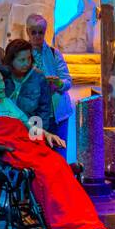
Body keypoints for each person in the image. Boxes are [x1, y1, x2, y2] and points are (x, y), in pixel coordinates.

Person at [0, 65, 111, 229]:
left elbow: (27, 125)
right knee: (47, 173)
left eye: (2, 81)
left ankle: (89, 225)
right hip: (6, 151)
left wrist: (47, 134)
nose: (2, 85)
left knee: (61, 167)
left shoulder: (7, 102)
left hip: (28, 145)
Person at [25, 13, 73, 156]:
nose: (37, 36)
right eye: (34, 32)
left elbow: (67, 81)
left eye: (41, 32)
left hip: (58, 113)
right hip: (34, 114)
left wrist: (58, 83)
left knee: (59, 154)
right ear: (27, 31)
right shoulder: (23, 55)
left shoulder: (54, 53)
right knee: (35, 156)